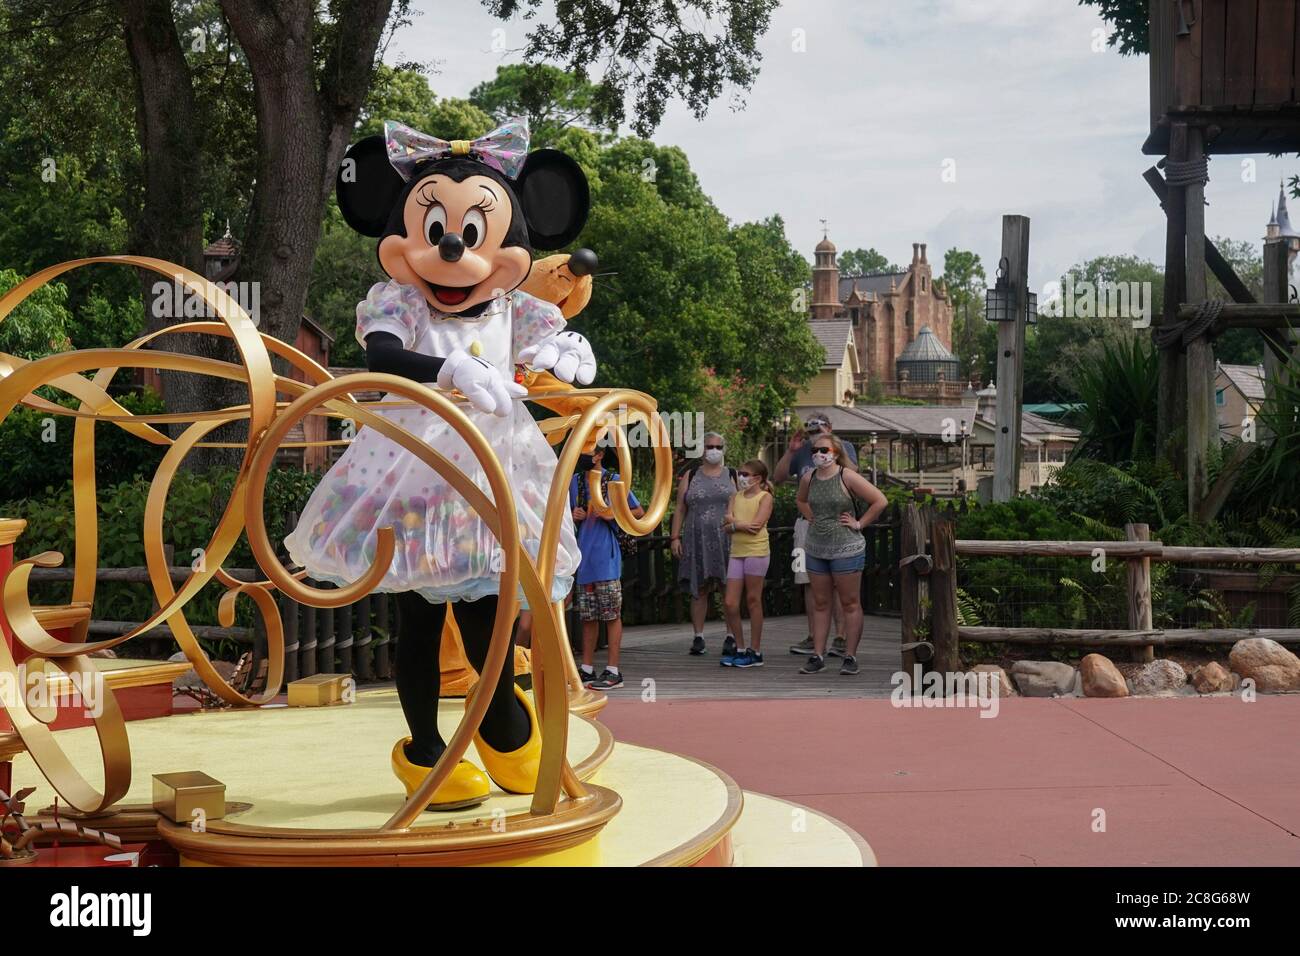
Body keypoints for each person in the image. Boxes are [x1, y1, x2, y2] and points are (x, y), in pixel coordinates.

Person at [284, 117, 594, 810]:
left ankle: (502, 728)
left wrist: (563, 355)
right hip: (411, 474)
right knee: (419, 621)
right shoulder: (397, 301)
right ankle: (427, 753)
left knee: (492, 606)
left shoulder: (518, 307)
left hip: (497, 473)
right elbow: (382, 356)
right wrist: (449, 369)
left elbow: (555, 345)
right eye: (435, 230)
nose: (453, 247)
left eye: (474, 232)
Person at [795, 434, 887, 676]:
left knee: (849, 602)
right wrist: (810, 516)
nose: (818, 454)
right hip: (816, 547)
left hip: (846, 547)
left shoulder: (847, 476)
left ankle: (850, 655)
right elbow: (801, 500)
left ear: (835, 452)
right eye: (814, 450)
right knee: (821, 602)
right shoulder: (809, 477)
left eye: (823, 449)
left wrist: (860, 523)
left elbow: (880, 500)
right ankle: (817, 654)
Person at [773, 414, 859, 658]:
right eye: (811, 432)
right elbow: (778, 478)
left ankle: (841, 637)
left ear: (830, 428)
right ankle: (814, 636)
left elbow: (855, 475)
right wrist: (791, 451)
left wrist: (834, 447)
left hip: (837, 523)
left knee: (838, 581)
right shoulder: (802, 451)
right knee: (809, 582)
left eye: (819, 430)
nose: (815, 437)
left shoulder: (843, 448)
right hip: (807, 524)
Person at [570, 450, 644, 690]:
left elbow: (638, 512)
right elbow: (562, 515)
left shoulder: (612, 481)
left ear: (599, 454)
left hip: (606, 558)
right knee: (588, 616)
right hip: (583, 558)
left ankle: (613, 669)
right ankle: (587, 668)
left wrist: (610, 514)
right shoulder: (575, 481)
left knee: (611, 614)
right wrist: (574, 515)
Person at [670, 432, 737, 656]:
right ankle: (698, 636)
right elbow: (680, 508)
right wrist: (674, 537)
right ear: (702, 449)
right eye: (710, 446)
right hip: (696, 538)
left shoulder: (733, 475)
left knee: (728, 588)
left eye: (718, 446)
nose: (714, 450)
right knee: (699, 589)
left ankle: (731, 635)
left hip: (727, 539)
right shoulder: (690, 475)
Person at [720, 460, 774, 668]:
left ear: (758, 478)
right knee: (730, 602)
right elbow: (725, 526)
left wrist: (735, 523)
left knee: (753, 599)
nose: (741, 477)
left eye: (745, 474)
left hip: (756, 552)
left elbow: (756, 526)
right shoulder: (735, 496)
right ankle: (740, 647)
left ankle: (756, 650)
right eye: (740, 473)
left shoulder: (765, 497)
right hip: (737, 552)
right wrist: (734, 524)